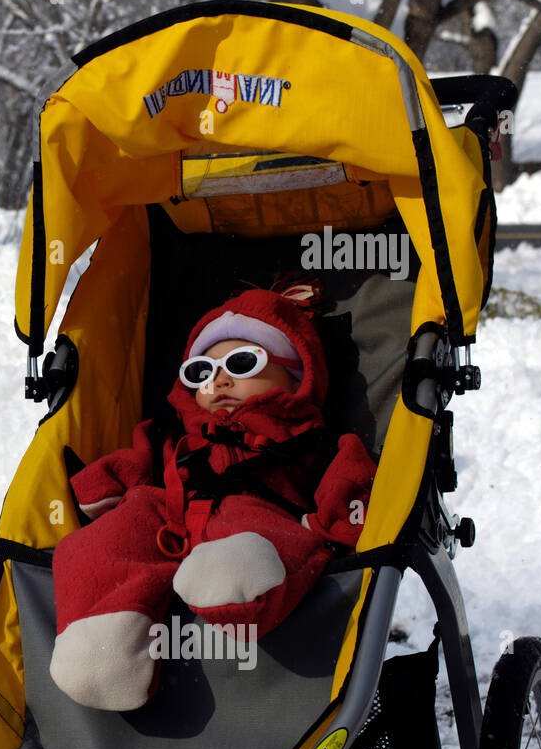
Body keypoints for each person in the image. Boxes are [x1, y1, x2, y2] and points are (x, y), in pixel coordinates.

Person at [49, 284, 377, 711]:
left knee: (247, 532)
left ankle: (233, 584)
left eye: (241, 363)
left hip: (263, 523)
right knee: (98, 543)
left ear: (296, 375)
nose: (218, 379)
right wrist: (104, 487)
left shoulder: (309, 439)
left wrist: (336, 524)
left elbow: (349, 481)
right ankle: (100, 654)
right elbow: (137, 460)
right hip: (170, 518)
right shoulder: (175, 435)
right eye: (200, 371)